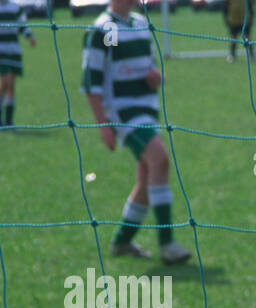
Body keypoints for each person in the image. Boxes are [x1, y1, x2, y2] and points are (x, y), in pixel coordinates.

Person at [81, 0, 191, 263]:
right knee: (159, 160)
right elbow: (91, 82)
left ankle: (122, 241)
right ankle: (168, 244)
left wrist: (155, 77)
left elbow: (148, 66)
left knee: (147, 175)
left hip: (147, 109)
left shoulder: (141, 24)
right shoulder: (104, 30)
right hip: (122, 112)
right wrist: (103, 124)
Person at [0, 0, 37, 128]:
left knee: (11, 85)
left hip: (14, 49)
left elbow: (22, 26)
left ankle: (9, 121)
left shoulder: (15, 8)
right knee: (5, 81)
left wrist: (30, 37)